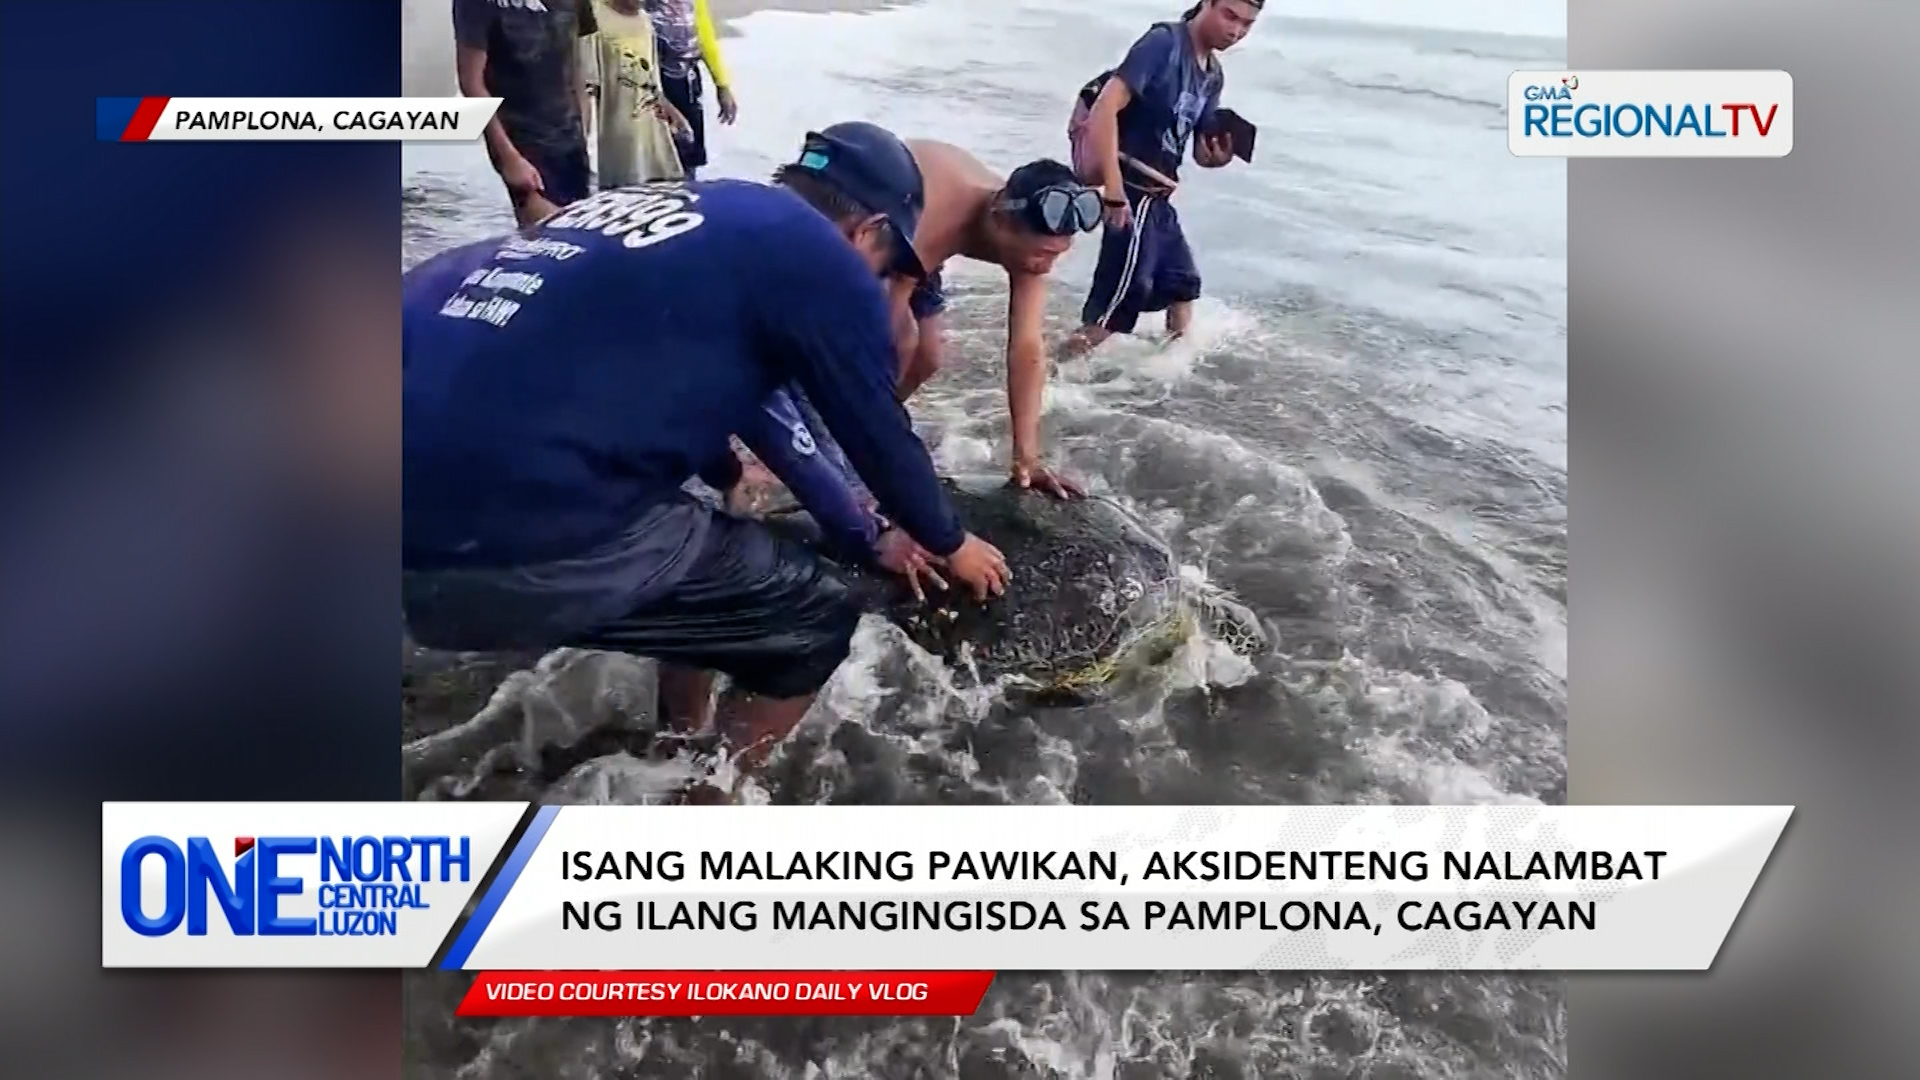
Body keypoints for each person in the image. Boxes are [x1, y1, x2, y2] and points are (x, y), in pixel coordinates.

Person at [400, 122, 1010, 789]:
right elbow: (878, 437)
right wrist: (947, 541)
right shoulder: (820, 259)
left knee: (702, 544)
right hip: (477, 549)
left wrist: (725, 470)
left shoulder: (672, 210)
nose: (880, 281)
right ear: (868, 231)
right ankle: (702, 801)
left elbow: (678, 370)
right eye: (889, 264)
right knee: (812, 616)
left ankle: (678, 743)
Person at [878, 143, 1105, 498]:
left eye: (1057, 255)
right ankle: (826, 428)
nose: (1046, 267)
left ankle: (875, 424)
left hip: (921, 250)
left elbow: (1027, 347)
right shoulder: (945, 216)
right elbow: (876, 332)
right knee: (899, 344)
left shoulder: (1030, 237)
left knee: (928, 358)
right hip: (886, 220)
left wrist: (1026, 457)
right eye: (1042, 254)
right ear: (1000, 220)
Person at [1063, 0, 1262, 356]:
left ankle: (1170, 377)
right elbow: (1106, 107)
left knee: (1182, 285)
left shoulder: (1213, 74)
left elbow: (1197, 149)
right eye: (1229, 16)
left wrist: (1216, 158)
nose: (1236, 31)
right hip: (1130, 190)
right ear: (1207, 4)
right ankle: (1048, 371)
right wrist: (1113, 189)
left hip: (1159, 198)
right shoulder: (1164, 43)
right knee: (1117, 305)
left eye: (1247, 24)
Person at [453, 0, 601, 226]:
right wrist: (508, 158)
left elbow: (575, 63)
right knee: (548, 239)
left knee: (578, 239)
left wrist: (584, 125)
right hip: (523, 145)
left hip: (572, 143)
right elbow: (471, 82)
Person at [580, 0, 693, 187]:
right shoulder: (593, 18)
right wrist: (584, 142)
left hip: (651, 130)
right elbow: (587, 87)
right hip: (615, 135)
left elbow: (652, 79)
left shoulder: (645, 20)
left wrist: (672, 112)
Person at [643, 0, 739, 179]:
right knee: (653, 156)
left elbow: (703, 32)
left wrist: (722, 84)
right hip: (645, 84)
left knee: (687, 152)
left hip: (685, 81)